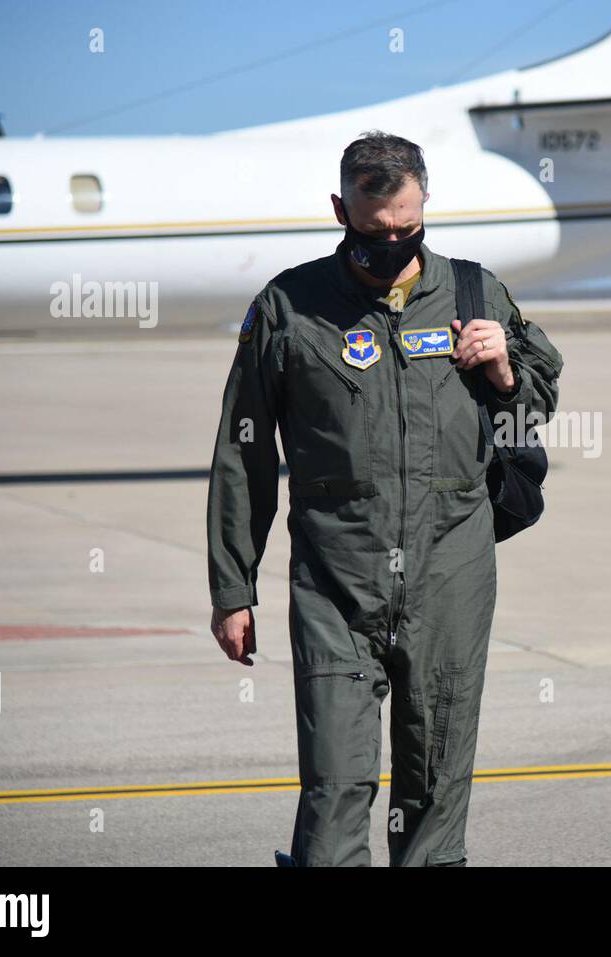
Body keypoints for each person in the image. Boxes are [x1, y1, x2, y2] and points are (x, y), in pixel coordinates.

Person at [206, 130, 563, 866]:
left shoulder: (476, 292)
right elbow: (243, 451)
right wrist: (232, 587)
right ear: (340, 209)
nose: (393, 244)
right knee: (335, 780)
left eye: (407, 227)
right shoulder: (289, 306)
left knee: (434, 782)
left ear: (426, 201)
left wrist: (501, 371)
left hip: (451, 571)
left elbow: (532, 410)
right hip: (337, 578)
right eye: (374, 232)